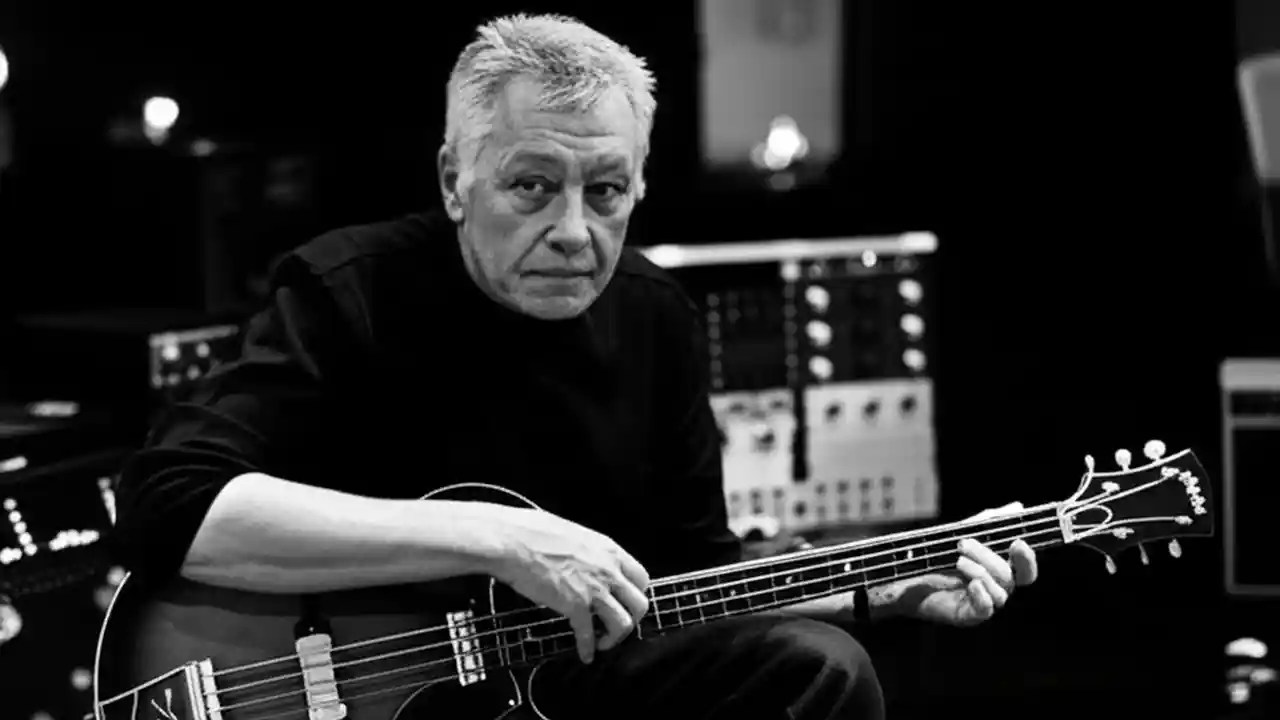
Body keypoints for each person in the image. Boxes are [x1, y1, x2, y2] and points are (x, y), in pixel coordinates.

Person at [112, 13, 1038, 720]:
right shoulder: (345, 288)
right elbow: (173, 506)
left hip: (562, 687)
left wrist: (879, 585)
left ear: (637, 185)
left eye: (605, 192)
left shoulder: (654, 316)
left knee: (816, 666)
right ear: (452, 180)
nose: (572, 231)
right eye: (531, 186)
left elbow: (692, 573)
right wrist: (500, 539)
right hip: (341, 688)